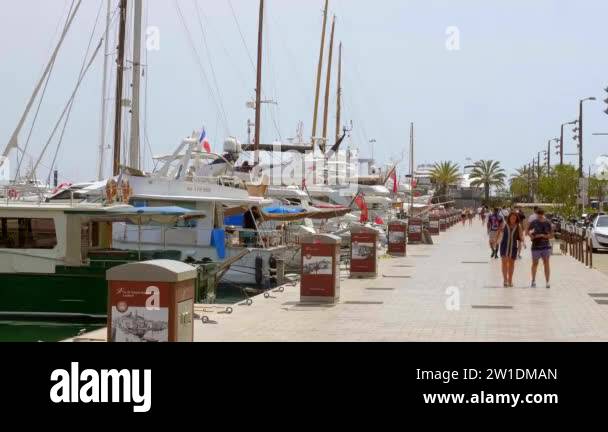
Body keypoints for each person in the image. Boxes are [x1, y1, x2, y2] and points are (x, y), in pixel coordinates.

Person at [526, 208, 554, 288]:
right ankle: (533, 280)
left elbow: (552, 234)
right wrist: (532, 236)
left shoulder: (548, 222)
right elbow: (527, 231)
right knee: (535, 263)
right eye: (539, 214)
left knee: (546, 263)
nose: (540, 216)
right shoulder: (534, 222)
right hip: (536, 246)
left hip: (545, 246)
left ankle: (547, 281)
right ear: (537, 214)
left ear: (543, 214)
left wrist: (544, 236)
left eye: (541, 214)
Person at [497, 212, 524, 287]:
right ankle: (505, 280)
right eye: (512, 217)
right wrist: (496, 241)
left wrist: (523, 241)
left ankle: (510, 280)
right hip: (504, 246)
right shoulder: (504, 224)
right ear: (509, 218)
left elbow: (521, 236)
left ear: (516, 219)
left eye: (514, 218)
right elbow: (499, 232)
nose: (513, 219)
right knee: (504, 263)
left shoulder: (518, 226)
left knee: (511, 264)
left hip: (513, 247)